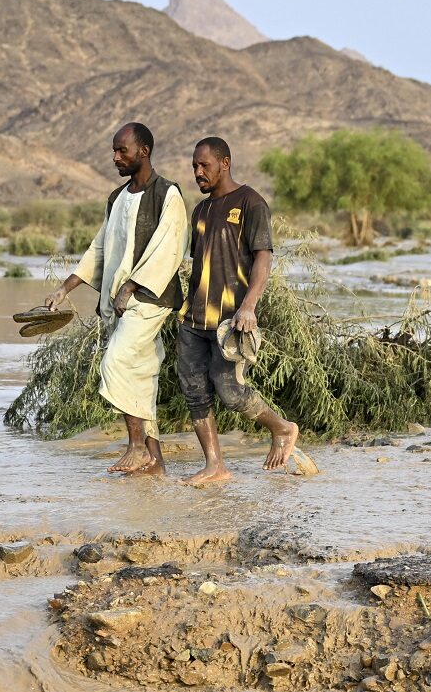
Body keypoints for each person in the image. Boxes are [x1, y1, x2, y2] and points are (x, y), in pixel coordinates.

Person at [46, 123, 189, 475]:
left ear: (144, 151)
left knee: (116, 362)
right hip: (120, 304)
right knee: (140, 373)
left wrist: (131, 287)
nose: (115, 157)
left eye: (122, 150)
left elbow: (170, 249)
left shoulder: (167, 194)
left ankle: (136, 446)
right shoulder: (117, 197)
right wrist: (65, 288)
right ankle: (155, 461)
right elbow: (99, 249)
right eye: (114, 150)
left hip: (150, 298)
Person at [174, 137, 304, 486]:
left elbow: (263, 257)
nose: (197, 172)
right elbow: (200, 263)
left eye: (204, 165)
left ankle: (282, 427)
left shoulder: (251, 202)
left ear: (225, 163)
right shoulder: (200, 210)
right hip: (194, 318)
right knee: (194, 390)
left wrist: (249, 306)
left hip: (231, 320)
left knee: (230, 391)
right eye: (194, 166)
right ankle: (215, 465)